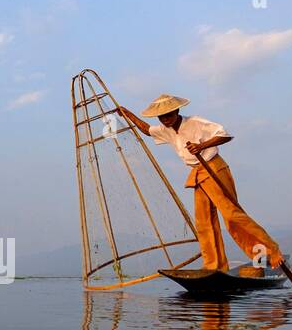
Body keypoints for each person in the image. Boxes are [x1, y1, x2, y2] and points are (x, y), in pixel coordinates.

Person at [116, 94, 282, 272]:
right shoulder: (167, 130)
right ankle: (214, 265)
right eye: (161, 117)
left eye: (168, 115)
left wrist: (201, 146)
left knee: (231, 215)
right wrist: (127, 114)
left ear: (177, 111)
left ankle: (271, 252)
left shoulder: (195, 122)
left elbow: (224, 135)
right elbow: (147, 130)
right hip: (197, 173)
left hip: (214, 167)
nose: (165, 120)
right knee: (204, 222)